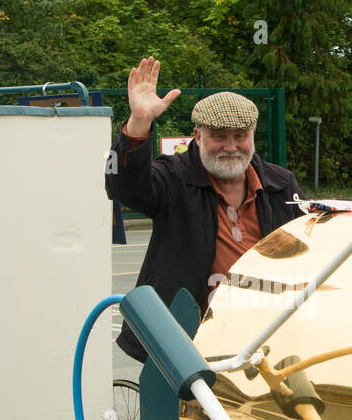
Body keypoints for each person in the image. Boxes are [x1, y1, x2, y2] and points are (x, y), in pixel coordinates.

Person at [106, 57, 305, 362]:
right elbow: (122, 187)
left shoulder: (281, 184)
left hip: (264, 335)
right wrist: (139, 123)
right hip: (186, 339)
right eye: (218, 137)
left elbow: (308, 250)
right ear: (197, 137)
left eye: (240, 136)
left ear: (252, 135)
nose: (230, 147)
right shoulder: (173, 178)